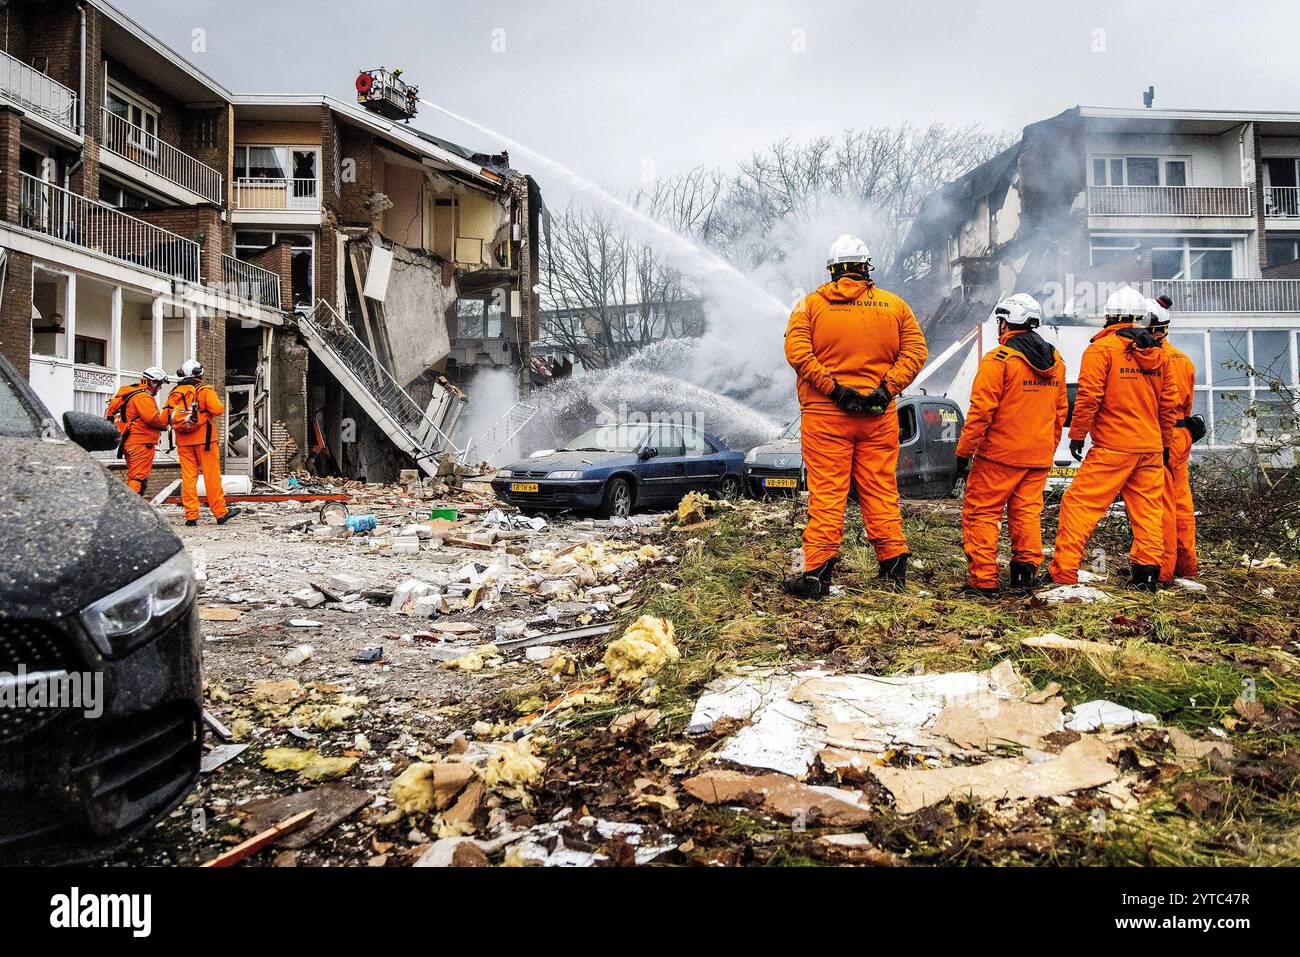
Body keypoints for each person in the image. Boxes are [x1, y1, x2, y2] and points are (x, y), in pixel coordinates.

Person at [781, 234, 928, 597]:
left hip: (826, 416)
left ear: (833, 270)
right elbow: (916, 351)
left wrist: (834, 389)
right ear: (866, 268)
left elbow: (797, 353)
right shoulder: (895, 307)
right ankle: (894, 569)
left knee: (828, 494)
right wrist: (885, 389)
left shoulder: (809, 307)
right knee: (880, 491)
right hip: (878, 416)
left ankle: (815, 573)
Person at [1048, 287, 1178, 590]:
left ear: (1108, 316)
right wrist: (1166, 445)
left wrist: (1077, 435)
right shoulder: (1160, 354)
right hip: (1150, 448)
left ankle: (1064, 572)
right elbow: (1168, 404)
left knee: (1078, 505)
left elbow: (1089, 397)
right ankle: (1146, 576)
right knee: (1147, 513)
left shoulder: (1101, 349)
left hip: (1113, 448)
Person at [955, 294, 1068, 595]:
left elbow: (980, 413)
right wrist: (1047, 446)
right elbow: (1060, 412)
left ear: (1005, 323)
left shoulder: (998, 360)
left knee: (981, 514)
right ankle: (1025, 576)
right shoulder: (1056, 360)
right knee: (1026, 514)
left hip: (998, 457)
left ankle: (983, 581)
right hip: (1038, 456)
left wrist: (963, 453)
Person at [1146, 295, 1201, 583]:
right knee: (1182, 503)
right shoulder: (1184, 360)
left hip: (1162, 434)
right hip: (1182, 434)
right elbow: (1187, 404)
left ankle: (1164, 571)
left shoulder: (1155, 360)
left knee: (1162, 505)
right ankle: (1187, 567)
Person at [165, 359, 240, 527]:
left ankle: (191, 516)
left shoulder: (174, 393)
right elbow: (218, 409)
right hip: (205, 440)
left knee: (188, 478)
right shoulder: (204, 390)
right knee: (211, 476)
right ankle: (220, 513)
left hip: (183, 441)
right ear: (199, 373)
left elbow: (166, 416)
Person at [104, 366, 171, 496]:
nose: (160, 388)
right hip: (141, 442)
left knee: (134, 476)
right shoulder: (143, 397)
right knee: (138, 478)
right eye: (160, 384)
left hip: (130, 441)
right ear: (153, 382)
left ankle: (131, 505)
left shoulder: (131, 394)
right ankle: (132, 508)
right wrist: (167, 417)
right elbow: (153, 418)